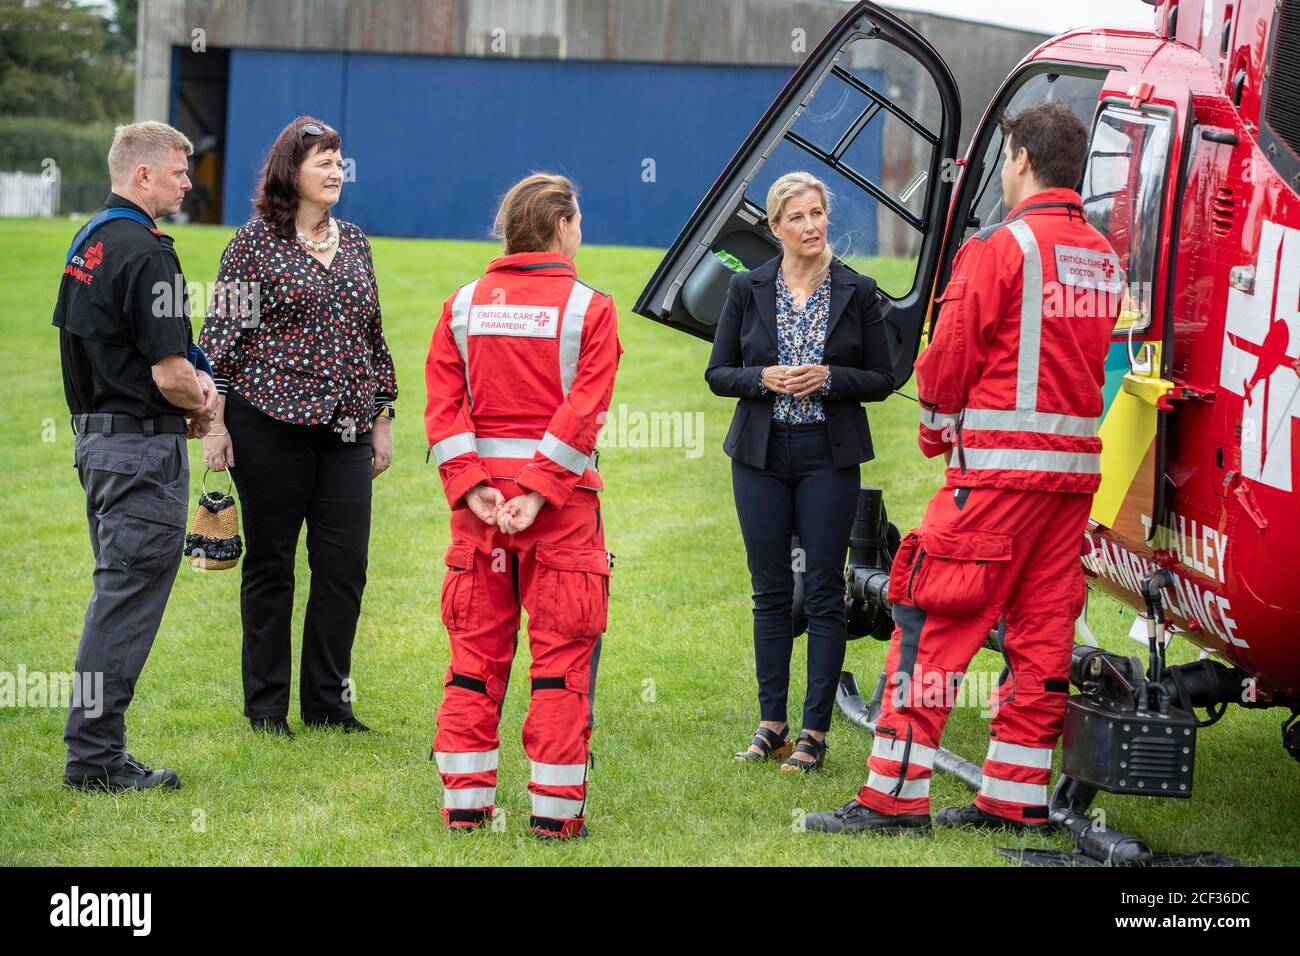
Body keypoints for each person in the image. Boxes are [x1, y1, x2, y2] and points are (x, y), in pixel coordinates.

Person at [804, 101, 1123, 834]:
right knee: (1042, 637)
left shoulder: (999, 248)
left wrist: (934, 426)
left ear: (1019, 160)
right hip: (1071, 482)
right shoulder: (1102, 258)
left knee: (930, 617)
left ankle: (891, 798)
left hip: (997, 482)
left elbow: (946, 362)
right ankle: (1014, 801)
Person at [426, 173, 621, 839]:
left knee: (473, 663)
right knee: (561, 666)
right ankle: (554, 818)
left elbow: (443, 407)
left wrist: (473, 484)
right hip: (561, 514)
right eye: (578, 220)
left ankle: (465, 809)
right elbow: (583, 412)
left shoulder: (461, 305)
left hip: (477, 514)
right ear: (562, 226)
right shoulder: (590, 308)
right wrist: (538, 492)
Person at [198, 117, 397, 737]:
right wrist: (214, 427)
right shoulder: (253, 244)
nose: (336, 171)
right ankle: (265, 709)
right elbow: (221, 342)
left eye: (340, 161)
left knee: (344, 566)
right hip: (268, 427)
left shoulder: (357, 242)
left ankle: (328, 704)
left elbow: (372, 336)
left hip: (345, 433)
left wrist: (382, 417)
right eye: (323, 162)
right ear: (292, 171)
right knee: (271, 567)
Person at [708, 171, 895, 772]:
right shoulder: (748, 288)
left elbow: (884, 378)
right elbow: (719, 374)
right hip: (759, 456)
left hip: (827, 456)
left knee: (823, 590)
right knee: (768, 590)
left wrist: (830, 379)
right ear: (775, 227)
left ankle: (814, 732)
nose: (812, 226)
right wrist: (763, 379)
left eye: (818, 214)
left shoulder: (858, 290)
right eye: (798, 218)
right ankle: (772, 724)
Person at [55, 121, 219, 791]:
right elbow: (170, 371)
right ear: (143, 175)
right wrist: (204, 403)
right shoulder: (149, 253)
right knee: (124, 604)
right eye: (180, 171)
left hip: (98, 441)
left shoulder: (88, 241)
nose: (189, 181)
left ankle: (97, 752)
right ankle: (93, 760)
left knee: (114, 594)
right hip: (140, 455)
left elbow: (97, 350)